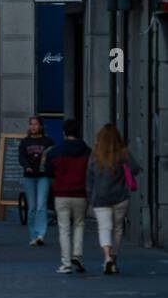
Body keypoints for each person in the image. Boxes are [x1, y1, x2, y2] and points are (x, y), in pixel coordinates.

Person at [87, 123, 140, 275]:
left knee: (104, 228)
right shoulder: (123, 153)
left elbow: (89, 178)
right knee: (117, 229)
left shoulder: (95, 154)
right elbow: (135, 169)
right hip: (120, 196)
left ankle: (107, 257)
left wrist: (91, 196)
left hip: (100, 197)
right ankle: (114, 259)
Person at [44, 118, 90, 274]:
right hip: (80, 193)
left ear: (64, 132)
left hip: (61, 193)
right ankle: (78, 255)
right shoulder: (86, 151)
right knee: (79, 224)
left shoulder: (56, 151)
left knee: (64, 229)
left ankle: (66, 263)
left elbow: (48, 171)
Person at [19, 116, 55, 247]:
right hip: (29, 177)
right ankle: (33, 235)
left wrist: (49, 169)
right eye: (31, 124)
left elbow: (52, 157)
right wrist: (26, 166)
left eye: (35, 124)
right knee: (32, 207)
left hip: (43, 176)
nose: (33, 127)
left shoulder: (48, 141)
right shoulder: (25, 142)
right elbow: (21, 157)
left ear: (41, 126)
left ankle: (40, 234)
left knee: (41, 205)